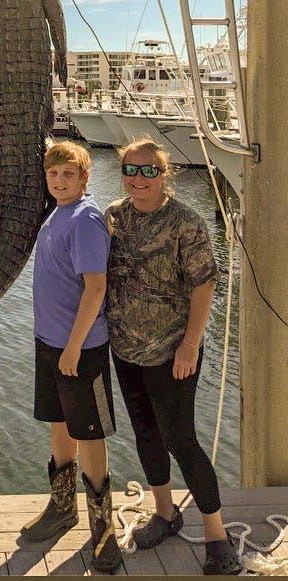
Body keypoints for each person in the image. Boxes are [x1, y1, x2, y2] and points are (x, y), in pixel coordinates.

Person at [105, 137, 242, 576]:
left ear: (164, 174)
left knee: (181, 440)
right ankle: (165, 514)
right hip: (126, 349)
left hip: (172, 352)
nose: (138, 178)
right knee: (145, 433)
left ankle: (218, 538)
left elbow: (205, 283)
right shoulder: (113, 216)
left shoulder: (186, 222)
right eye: (130, 169)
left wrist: (191, 343)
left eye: (148, 170)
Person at [20, 141, 122, 574]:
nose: (59, 181)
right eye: (53, 174)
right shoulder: (57, 213)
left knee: (89, 432)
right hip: (50, 342)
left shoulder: (85, 220)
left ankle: (103, 528)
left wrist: (75, 347)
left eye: (68, 175)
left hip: (80, 348)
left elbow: (96, 287)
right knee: (59, 422)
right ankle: (63, 508)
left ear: (84, 178)